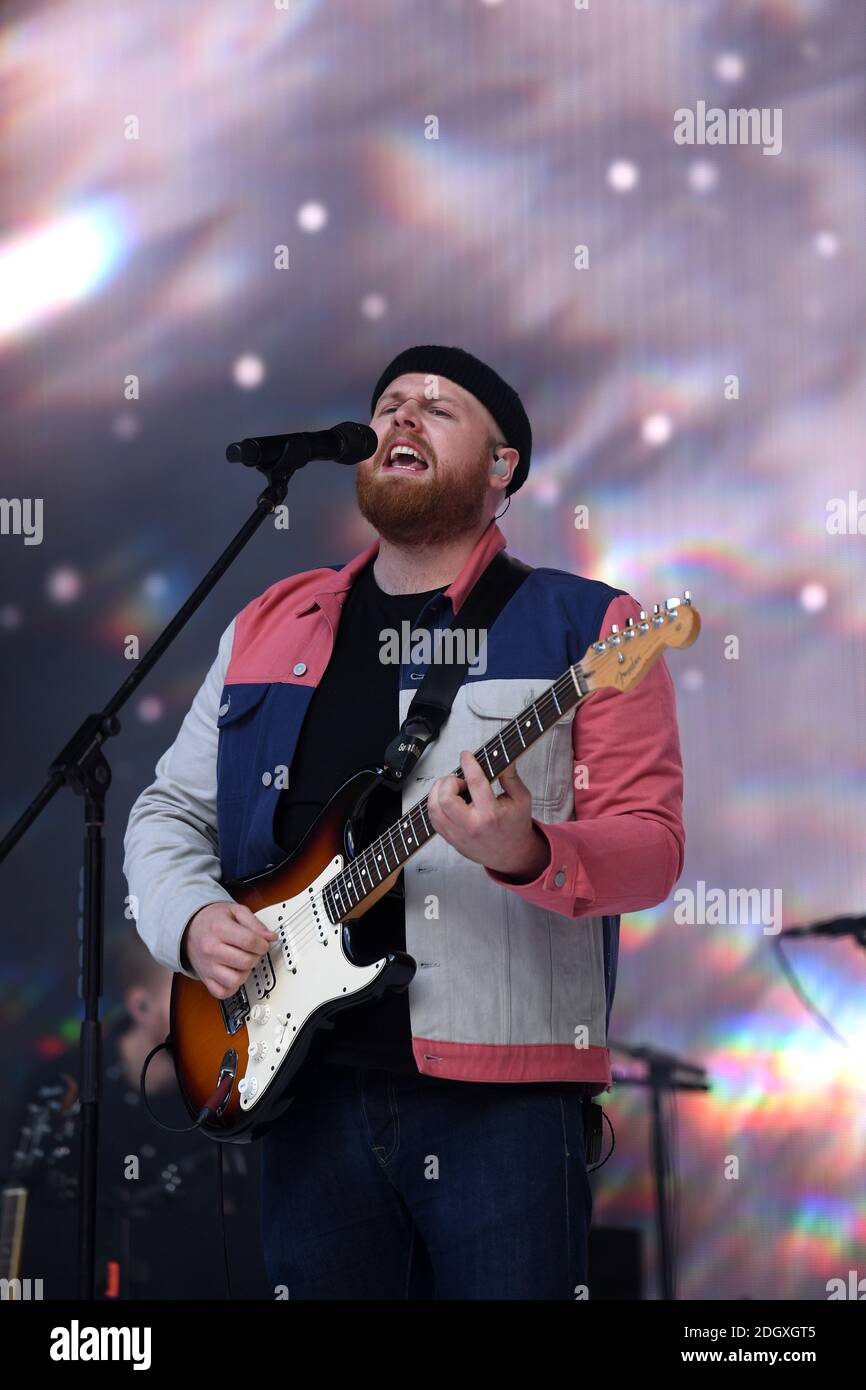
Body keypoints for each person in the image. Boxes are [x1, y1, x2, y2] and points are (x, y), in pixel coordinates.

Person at [123, 343, 685, 1300]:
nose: (403, 419)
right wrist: (187, 918)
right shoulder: (272, 621)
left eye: (439, 407)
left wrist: (531, 852)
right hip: (298, 1085)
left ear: (502, 465)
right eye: (389, 404)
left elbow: (653, 848)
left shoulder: (587, 627)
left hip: (501, 1106)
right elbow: (169, 809)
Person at [1, 930, 268, 1299]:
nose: (217, 1001)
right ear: (140, 1006)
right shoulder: (64, 1083)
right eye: (193, 991)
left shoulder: (231, 1083)